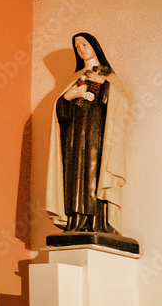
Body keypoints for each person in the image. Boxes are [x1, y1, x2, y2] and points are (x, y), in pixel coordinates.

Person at [47, 33, 128, 233]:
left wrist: (103, 84)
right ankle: (75, 223)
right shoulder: (74, 77)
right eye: (77, 46)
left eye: (84, 44)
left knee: (93, 175)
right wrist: (67, 97)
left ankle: (97, 224)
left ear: (94, 46)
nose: (81, 48)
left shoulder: (108, 75)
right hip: (73, 136)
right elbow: (60, 110)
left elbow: (123, 104)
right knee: (74, 176)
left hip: (96, 134)